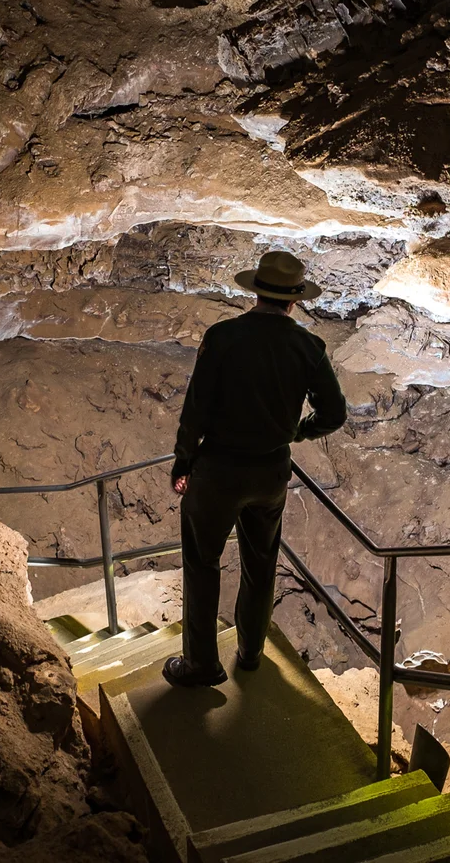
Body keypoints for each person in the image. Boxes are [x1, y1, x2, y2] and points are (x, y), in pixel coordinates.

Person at [162, 250, 348, 687]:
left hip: (218, 472)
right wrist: (298, 432)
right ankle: (249, 653)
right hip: (270, 474)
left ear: (257, 292)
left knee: (203, 564)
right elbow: (334, 414)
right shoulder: (309, 347)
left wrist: (182, 461)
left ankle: (201, 665)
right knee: (261, 565)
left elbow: (196, 411)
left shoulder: (223, 336)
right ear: (294, 300)